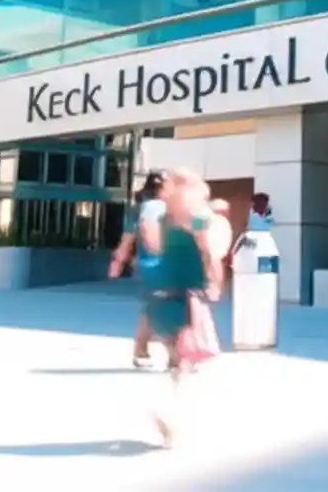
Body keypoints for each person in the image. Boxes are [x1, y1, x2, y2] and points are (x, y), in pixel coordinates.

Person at [142, 168, 223, 448]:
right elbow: (210, 253)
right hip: (186, 296)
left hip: (161, 294)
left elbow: (156, 248)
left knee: (176, 358)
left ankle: (169, 421)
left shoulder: (164, 218)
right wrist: (216, 283)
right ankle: (168, 411)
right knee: (184, 363)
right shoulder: (197, 219)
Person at [109, 170, 170, 369]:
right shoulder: (167, 208)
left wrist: (118, 262)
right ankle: (172, 353)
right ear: (162, 188)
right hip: (165, 263)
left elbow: (127, 239)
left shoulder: (140, 209)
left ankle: (144, 350)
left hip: (149, 264)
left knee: (153, 308)